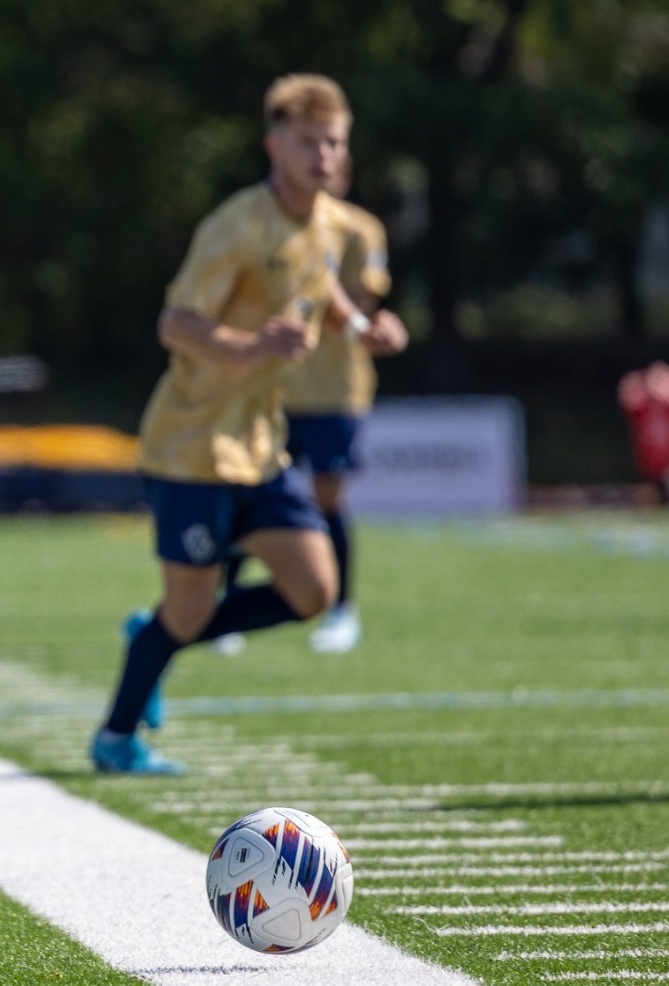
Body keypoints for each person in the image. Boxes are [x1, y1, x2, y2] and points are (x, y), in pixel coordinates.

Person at [93, 74, 406, 774]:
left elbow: (319, 292)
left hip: (262, 445)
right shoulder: (236, 226)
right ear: (274, 145)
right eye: (308, 142)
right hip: (192, 446)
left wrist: (363, 327)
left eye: (334, 143)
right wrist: (255, 346)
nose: (322, 156)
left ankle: (158, 634)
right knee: (191, 613)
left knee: (313, 591)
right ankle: (116, 737)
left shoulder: (329, 223)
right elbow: (174, 323)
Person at [212, 154, 406, 656]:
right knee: (248, 494)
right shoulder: (262, 223)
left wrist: (364, 323)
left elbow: (356, 304)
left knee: (328, 500)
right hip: (273, 388)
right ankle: (223, 606)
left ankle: (342, 609)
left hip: (334, 390)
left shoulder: (358, 229)